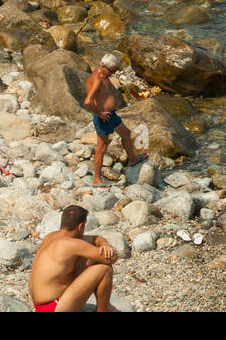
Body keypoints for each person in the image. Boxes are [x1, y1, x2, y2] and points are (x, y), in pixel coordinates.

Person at [28, 205, 119, 312]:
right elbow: (111, 258)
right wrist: (106, 249)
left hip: (42, 306)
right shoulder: (73, 244)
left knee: (87, 258)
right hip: (54, 307)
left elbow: (95, 238)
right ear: (80, 226)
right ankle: (104, 309)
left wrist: (103, 243)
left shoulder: (51, 237)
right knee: (104, 269)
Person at [83, 54, 146, 187]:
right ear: (107, 67)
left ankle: (133, 159)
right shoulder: (97, 78)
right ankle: (96, 179)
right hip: (103, 117)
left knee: (126, 133)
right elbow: (88, 101)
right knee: (102, 148)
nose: (114, 73)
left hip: (111, 115)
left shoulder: (105, 75)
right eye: (114, 71)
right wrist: (99, 113)